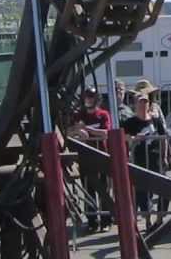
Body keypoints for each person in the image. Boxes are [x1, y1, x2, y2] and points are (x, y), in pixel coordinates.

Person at [122, 92, 171, 229]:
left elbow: (164, 138)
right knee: (142, 193)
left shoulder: (155, 120)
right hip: (139, 160)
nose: (143, 104)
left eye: (145, 102)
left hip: (156, 160)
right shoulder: (130, 122)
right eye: (140, 102)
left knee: (165, 189)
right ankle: (148, 221)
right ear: (135, 104)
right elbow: (123, 138)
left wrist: (165, 156)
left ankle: (159, 219)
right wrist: (134, 139)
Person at [69, 88, 113, 233]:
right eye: (87, 96)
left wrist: (87, 129)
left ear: (96, 98)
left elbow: (105, 133)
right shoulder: (78, 115)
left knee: (104, 190)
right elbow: (67, 131)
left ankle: (106, 221)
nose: (88, 99)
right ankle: (92, 221)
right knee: (88, 190)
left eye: (91, 96)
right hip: (85, 158)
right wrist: (76, 131)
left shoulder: (103, 115)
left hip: (101, 157)